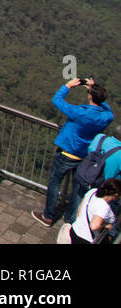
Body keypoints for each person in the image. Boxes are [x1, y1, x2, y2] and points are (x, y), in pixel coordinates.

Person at [33, 77, 114, 227]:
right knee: (78, 188)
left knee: (55, 183)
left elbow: (57, 100)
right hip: (85, 156)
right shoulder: (106, 117)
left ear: (90, 96)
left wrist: (67, 86)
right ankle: (70, 219)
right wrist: (94, 88)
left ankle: (48, 216)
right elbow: (108, 109)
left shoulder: (80, 113)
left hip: (67, 152)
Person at [69, 123, 121, 233]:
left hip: (85, 177)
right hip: (103, 187)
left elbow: (90, 151)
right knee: (100, 215)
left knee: (79, 207)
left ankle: (72, 226)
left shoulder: (100, 137)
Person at [66, 177, 120, 244]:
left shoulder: (93, 191)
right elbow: (94, 226)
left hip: (75, 230)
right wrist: (106, 225)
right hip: (85, 238)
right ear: (116, 194)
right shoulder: (104, 207)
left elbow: (79, 209)